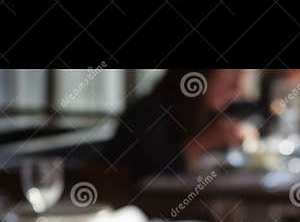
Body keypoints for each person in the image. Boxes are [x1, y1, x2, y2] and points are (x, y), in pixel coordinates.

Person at [108, 68, 254, 177]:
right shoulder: (149, 112)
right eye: (231, 81)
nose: (238, 91)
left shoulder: (205, 111)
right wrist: (205, 142)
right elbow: (151, 173)